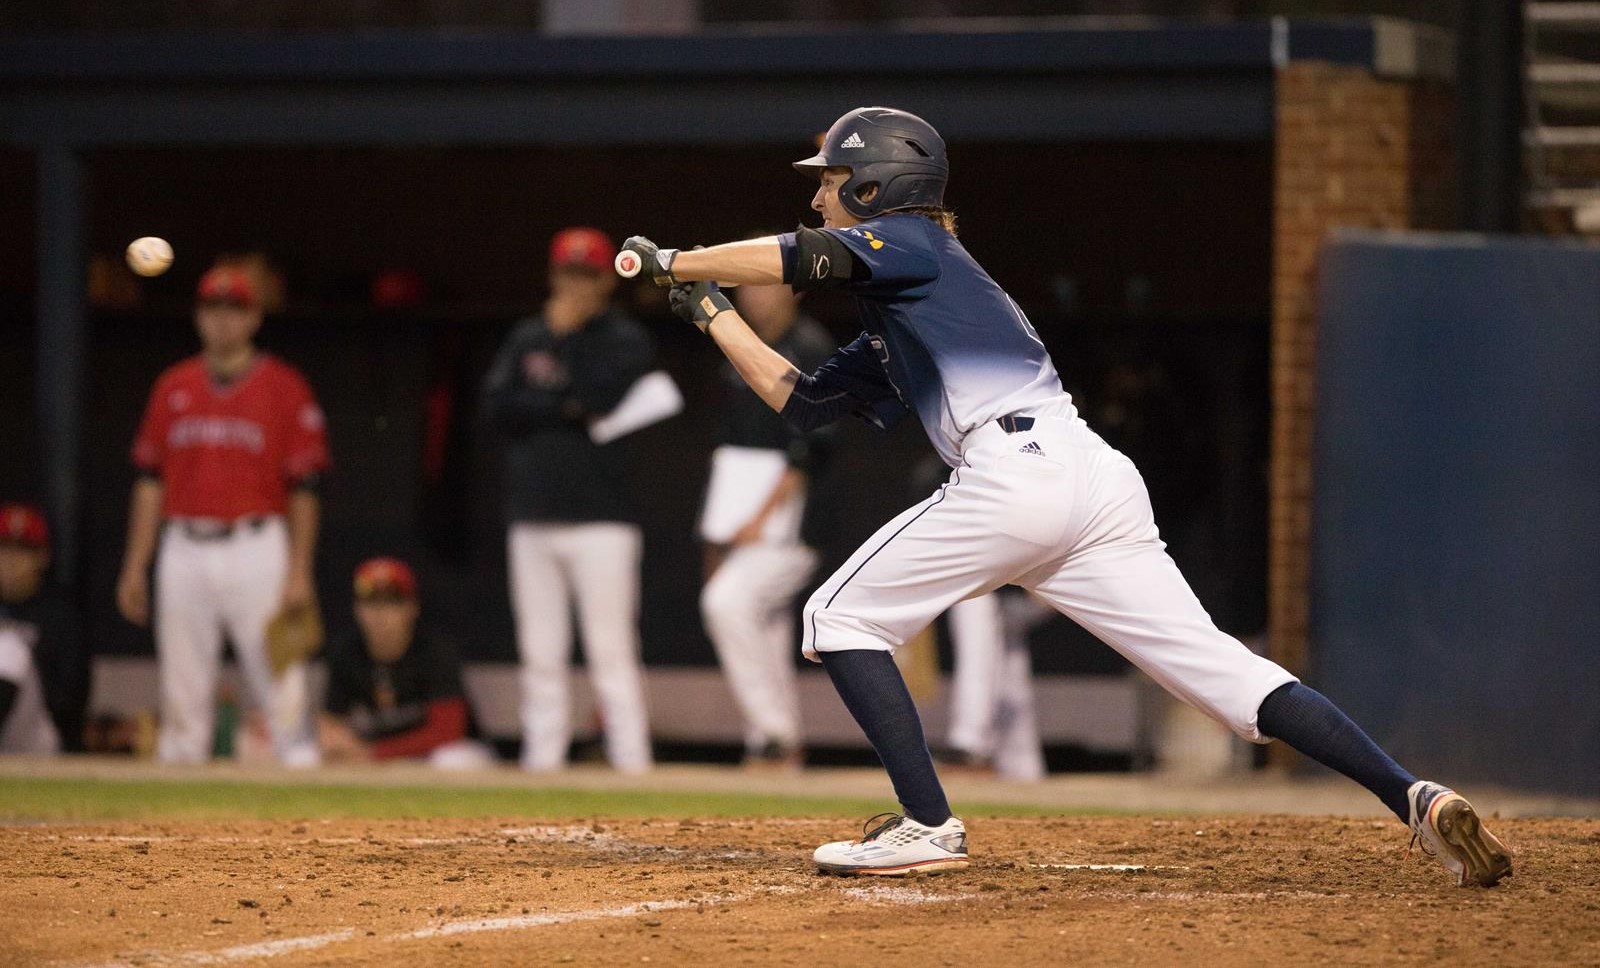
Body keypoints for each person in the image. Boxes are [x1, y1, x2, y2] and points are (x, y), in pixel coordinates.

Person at [616, 106, 1512, 885]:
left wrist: (682, 259)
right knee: (1226, 678)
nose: (819, 193)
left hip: (1020, 473)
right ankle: (1414, 797)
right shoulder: (907, 310)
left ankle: (927, 823)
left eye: (835, 179)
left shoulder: (917, 243)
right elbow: (803, 402)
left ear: (879, 187)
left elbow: (800, 257)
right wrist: (711, 312)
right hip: (1089, 480)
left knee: (838, 619)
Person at [116, 262, 329, 766]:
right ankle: (177, 829)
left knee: (282, 684)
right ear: (199, 316)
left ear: (254, 318)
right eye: (213, 308)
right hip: (183, 545)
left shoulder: (283, 386)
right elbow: (149, 482)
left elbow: (306, 487)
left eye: (235, 309)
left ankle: (306, 796)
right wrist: (134, 563)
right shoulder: (173, 386)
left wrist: (300, 569)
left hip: (257, 545)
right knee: (182, 695)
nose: (223, 321)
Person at [482, 227, 655, 773]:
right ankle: (542, 762)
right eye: (567, 272)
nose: (576, 285)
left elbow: (597, 397)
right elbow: (495, 408)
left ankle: (633, 764)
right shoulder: (528, 335)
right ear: (553, 275)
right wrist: (560, 406)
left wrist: (562, 349)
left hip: (602, 518)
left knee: (610, 651)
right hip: (533, 513)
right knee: (540, 651)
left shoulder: (624, 338)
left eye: (588, 274)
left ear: (608, 280)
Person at [698, 273, 835, 770]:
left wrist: (761, 516)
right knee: (765, 627)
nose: (753, 295)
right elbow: (728, 450)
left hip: (794, 521)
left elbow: (812, 449)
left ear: (792, 289)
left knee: (726, 604)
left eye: (763, 284)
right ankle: (777, 745)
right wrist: (719, 532)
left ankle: (773, 731)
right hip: (740, 510)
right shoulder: (737, 348)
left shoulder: (812, 348)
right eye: (747, 287)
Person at [319, 557, 492, 768]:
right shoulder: (348, 654)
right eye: (371, 602)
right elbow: (330, 725)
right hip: (374, 756)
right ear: (357, 609)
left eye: (391, 602)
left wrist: (376, 753)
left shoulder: (434, 652)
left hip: (432, 755)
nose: (380, 613)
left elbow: (448, 732)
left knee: (451, 759)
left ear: (412, 607)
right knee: (303, 756)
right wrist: (340, 743)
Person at [0, 503, 87, 755]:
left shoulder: (59, 613)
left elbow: (69, 697)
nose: (11, 561)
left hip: (36, 733)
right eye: (4, 549)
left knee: (9, 647)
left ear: (42, 557)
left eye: (23, 551)